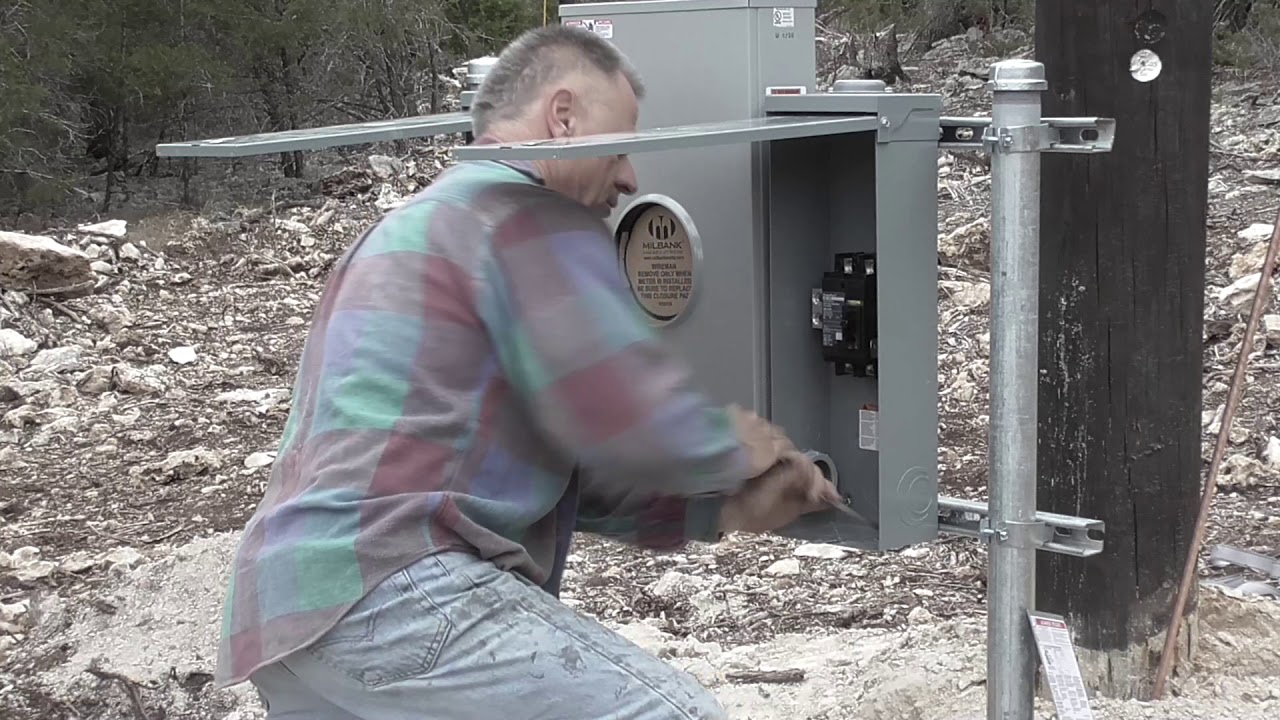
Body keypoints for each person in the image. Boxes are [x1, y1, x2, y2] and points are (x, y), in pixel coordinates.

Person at [214, 23, 839, 720]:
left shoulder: (414, 224)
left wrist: (719, 509)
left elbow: (562, 467)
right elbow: (621, 416)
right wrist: (732, 449)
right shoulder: (529, 214)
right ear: (563, 116)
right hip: (396, 592)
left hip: (287, 619)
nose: (632, 176)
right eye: (622, 143)